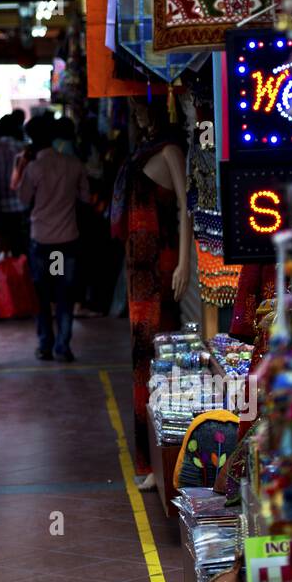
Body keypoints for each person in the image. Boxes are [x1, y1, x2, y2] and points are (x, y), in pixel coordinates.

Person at [111, 98, 191, 491]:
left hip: (160, 266)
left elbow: (186, 207)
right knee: (144, 357)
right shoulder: (147, 151)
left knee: (159, 360)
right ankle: (149, 459)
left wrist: (185, 263)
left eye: (142, 108)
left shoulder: (170, 150)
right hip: (139, 271)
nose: (138, 115)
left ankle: (161, 458)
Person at [13, 113, 90, 362]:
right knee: (64, 294)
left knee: (43, 295)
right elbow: (86, 198)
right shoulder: (73, 164)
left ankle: (45, 344)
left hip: (42, 242)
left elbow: (23, 200)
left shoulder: (34, 168)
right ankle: (62, 345)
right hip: (65, 243)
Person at [0, 113, 29, 256]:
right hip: (23, 206)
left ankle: (10, 276)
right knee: (23, 249)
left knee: (6, 249)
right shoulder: (24, 149)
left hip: (1, 209)